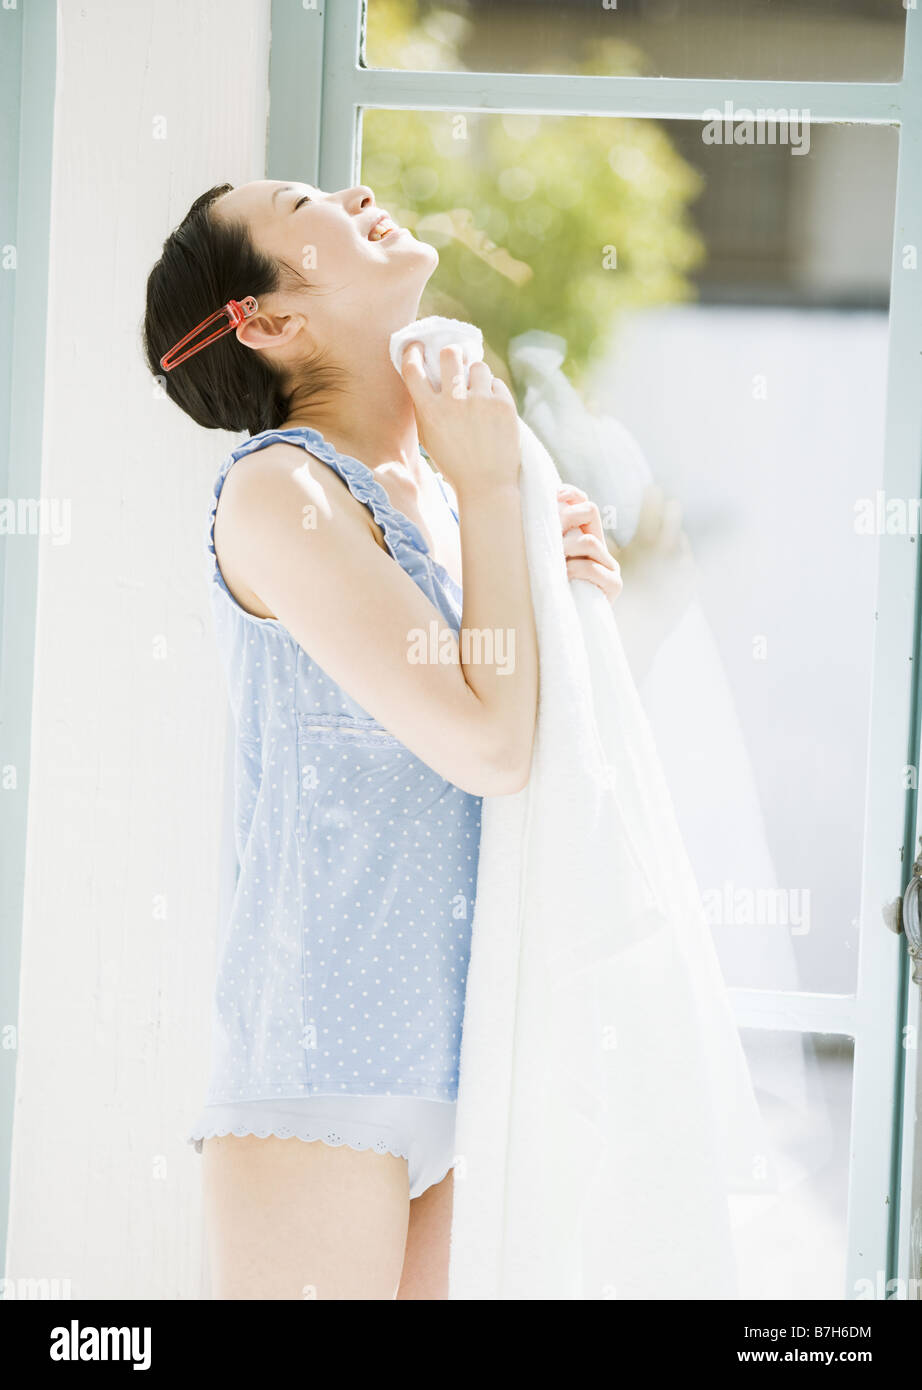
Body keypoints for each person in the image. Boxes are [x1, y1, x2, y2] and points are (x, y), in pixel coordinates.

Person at [143, 180, 622, 1300]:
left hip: (484, 1055)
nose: (356, 192)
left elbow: (539, 762)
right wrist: (497, 494)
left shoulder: (455, 500)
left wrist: (559, 585)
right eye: (300, 200)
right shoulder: (280, 492)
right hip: (325, 1079)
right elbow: (487, 745)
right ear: (264, 320)